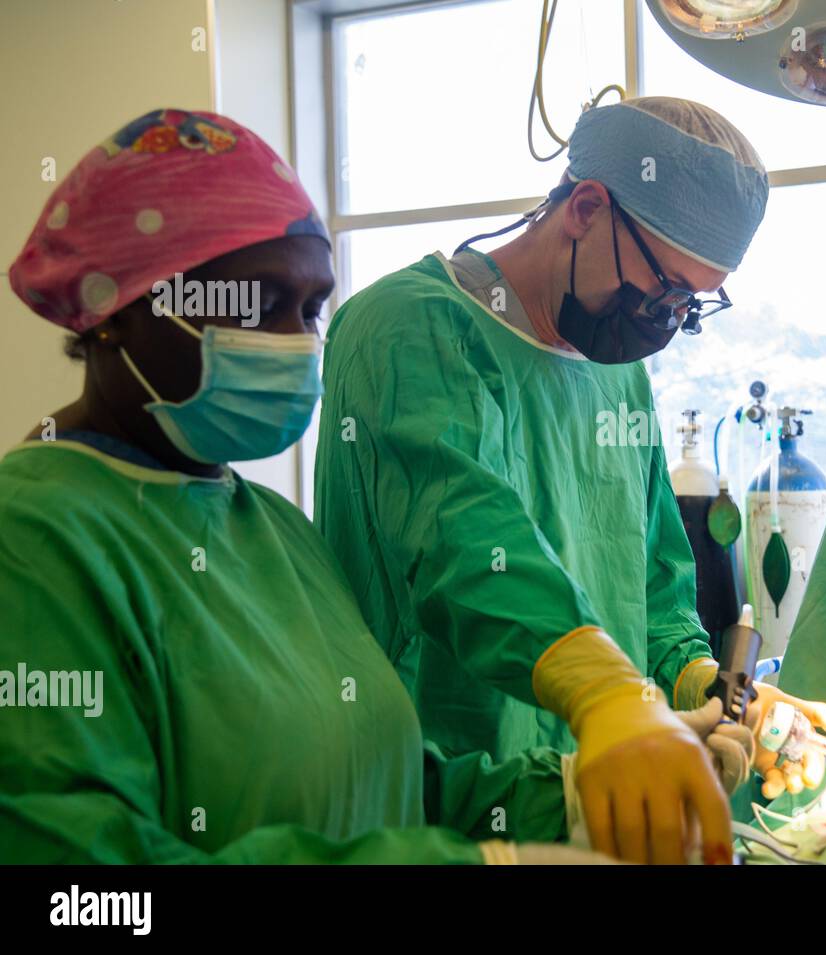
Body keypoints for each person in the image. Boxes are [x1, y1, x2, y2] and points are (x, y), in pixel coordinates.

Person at [0, 108, 610, 865]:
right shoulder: (31, 539)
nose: (298, 340)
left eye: (312, 308)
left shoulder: (277, 532)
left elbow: (386, 785)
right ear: (118, 308)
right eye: (256, 304)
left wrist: (581, 801)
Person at [314, 96, 826, 865]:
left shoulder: (614, 377)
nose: (666, 319)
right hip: (443, 811)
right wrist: (606, 696)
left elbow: (653, 585)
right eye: (661, 291)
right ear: (586, 209)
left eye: (693, 305)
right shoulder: (406, 329)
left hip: (605, 801)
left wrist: (697, 683)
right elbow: (468, 550)